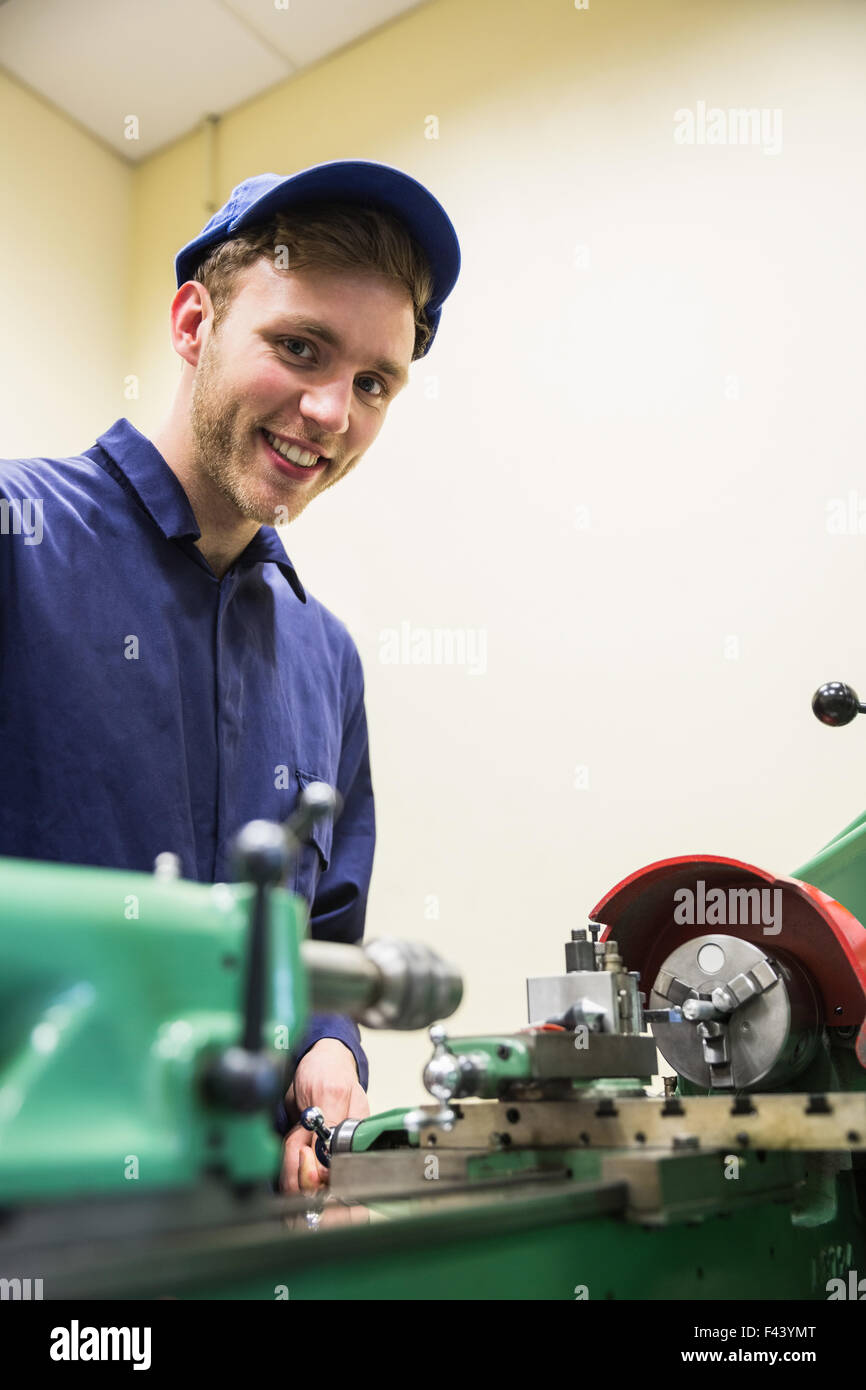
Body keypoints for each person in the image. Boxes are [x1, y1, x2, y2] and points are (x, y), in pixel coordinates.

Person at [0, 159, 460, 1195]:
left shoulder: (324, 655)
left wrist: (329, 1045)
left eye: (373, 383)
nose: (331, 410)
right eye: (299, 347)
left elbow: (324, 934)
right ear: (192, 323)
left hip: (236, 1217)